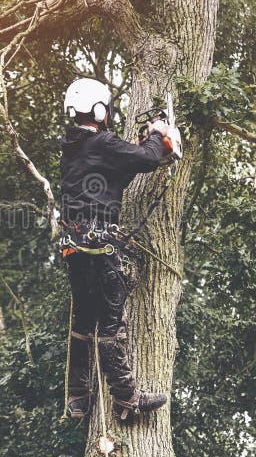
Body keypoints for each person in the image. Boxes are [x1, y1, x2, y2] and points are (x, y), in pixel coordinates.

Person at [60, 78, 173, 421]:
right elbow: (149, 159)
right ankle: (126, 397)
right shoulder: (102, 141)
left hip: (75, 247)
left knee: (83, 322)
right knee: (110, 323)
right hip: (100, 245)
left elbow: (112, 180)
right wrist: (156, 133)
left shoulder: (73, 149)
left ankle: (78, 398)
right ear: (100, 109)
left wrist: (134, 152)